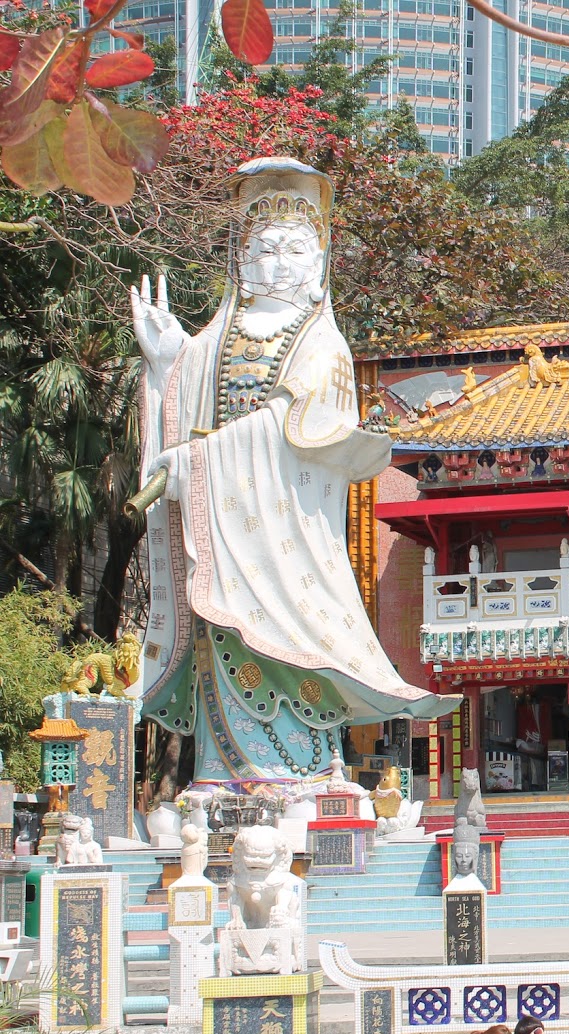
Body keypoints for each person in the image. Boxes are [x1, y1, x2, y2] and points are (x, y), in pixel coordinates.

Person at [129, 157, 458, 782]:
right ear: (241, 261)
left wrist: (199, 459)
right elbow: (182, 404)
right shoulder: (212, 340)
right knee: (222, 641)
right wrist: (167, 362)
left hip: (285, 535)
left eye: (293, 250)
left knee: (290, 649)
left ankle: (301, 778)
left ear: (317, 267)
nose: (277, 264)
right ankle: (218, 781)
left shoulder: (321, 341)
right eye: (264, 249)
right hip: (220, 534)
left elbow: (293, 424)